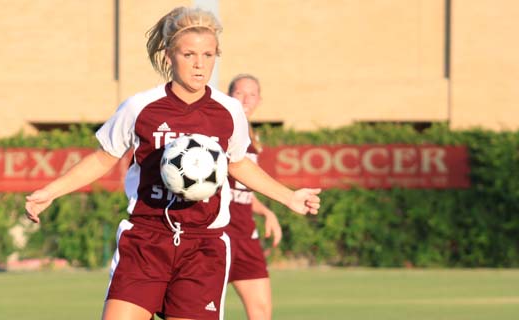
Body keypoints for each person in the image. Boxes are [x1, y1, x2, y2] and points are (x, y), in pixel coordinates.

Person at [25, 7, 321, 320]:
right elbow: (103, 157)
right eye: (189, 54)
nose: (199, 64)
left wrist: (288, 196)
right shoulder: (141, 107)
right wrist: (51, 191)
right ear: (169, 56)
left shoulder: (228, 111)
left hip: (203, 246)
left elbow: (239, 165)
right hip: (146, 240)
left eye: (208, 55)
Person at [226, 74, 282, 320]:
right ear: (229, 95)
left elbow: (242, 190)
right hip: (218, 233)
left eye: (252, 94)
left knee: (261, 312)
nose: (246, 99)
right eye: (239, 93)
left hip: (246, 234)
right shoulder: (219, 128)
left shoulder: (252, 138)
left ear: (259, 100)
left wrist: (265, 211)